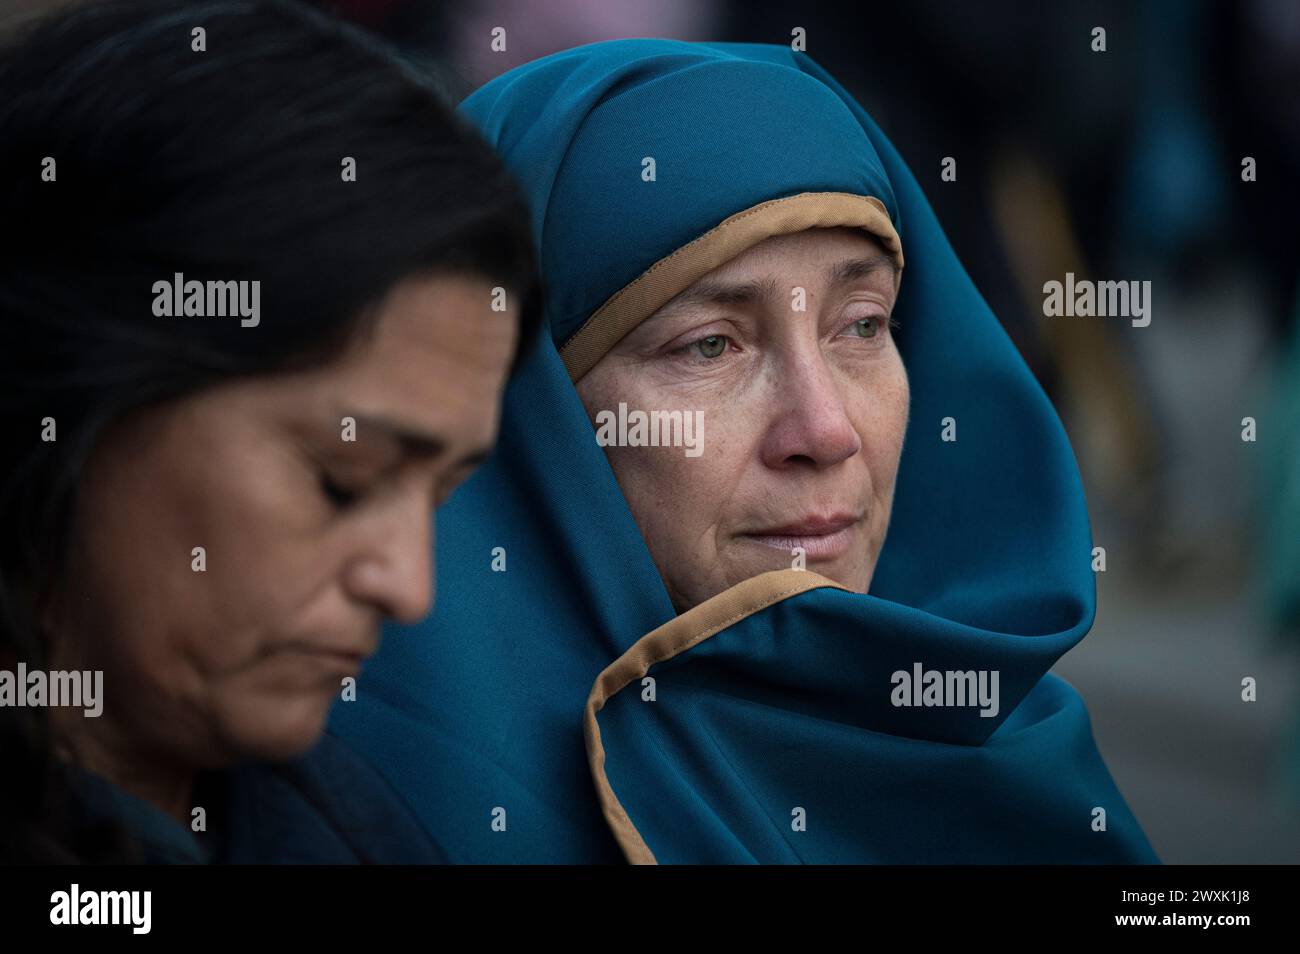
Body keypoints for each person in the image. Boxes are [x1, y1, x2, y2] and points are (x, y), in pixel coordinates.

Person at [331, 39, 1160, 863]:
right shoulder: (384, 811)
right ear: (529, 408)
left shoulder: (1006, 746)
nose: (826, 431)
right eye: (708, 347)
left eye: (863, 324)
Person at [0, 0, 540, 863]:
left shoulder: (363, 826)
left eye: (443, 497)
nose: (408, 588)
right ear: (68, 392)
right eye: (343, 478)